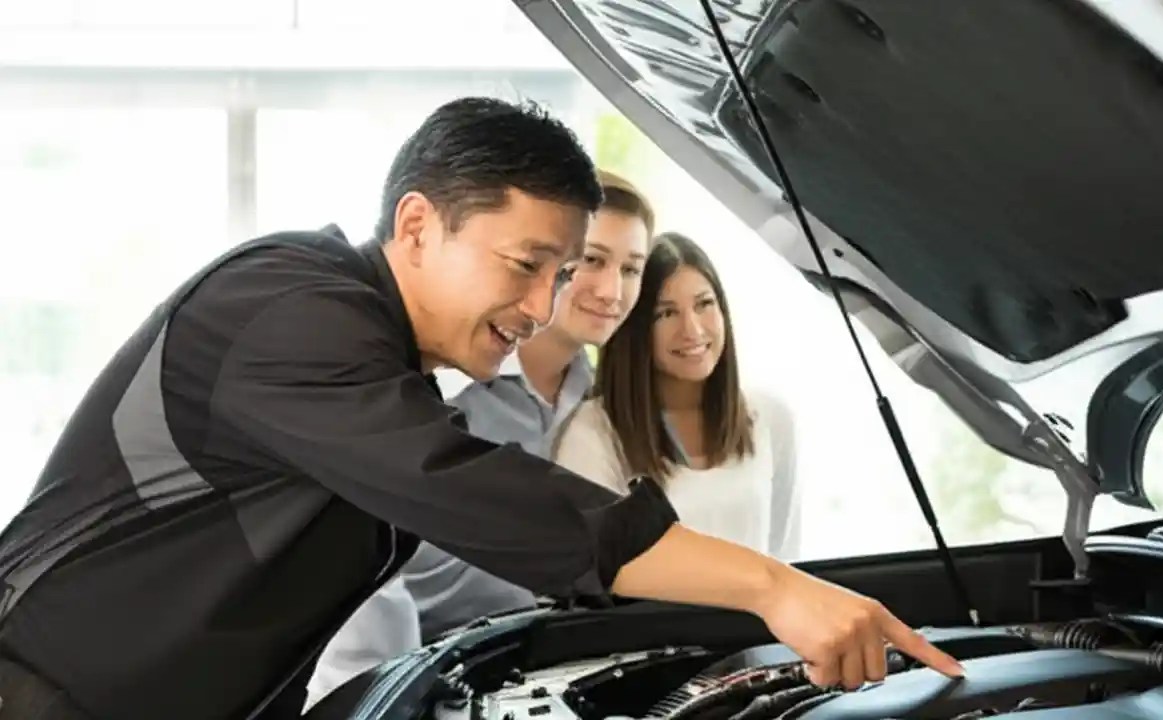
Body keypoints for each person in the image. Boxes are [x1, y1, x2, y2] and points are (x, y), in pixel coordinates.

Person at [0, 97, 962, 720]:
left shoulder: (382, 358)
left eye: (564, 271)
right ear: (418, 225)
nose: (544, 306)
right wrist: (774, 587)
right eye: (524, 265)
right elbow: (491, 501)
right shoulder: (287, 309)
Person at [305, 170, 656, 707]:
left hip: (545, 679)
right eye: (591, 262)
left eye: (631, 269)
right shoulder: (440, 388)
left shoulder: (605, 404)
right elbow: (364, 587)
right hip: (420, 682)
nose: (612, 291)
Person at [552, 232, 799, 559]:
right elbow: (590, 573)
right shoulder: (593, 435)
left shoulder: (768, 416)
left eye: (704, 304)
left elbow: (786, 557)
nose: (693, 330)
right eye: (666, 313)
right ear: (633, 327)